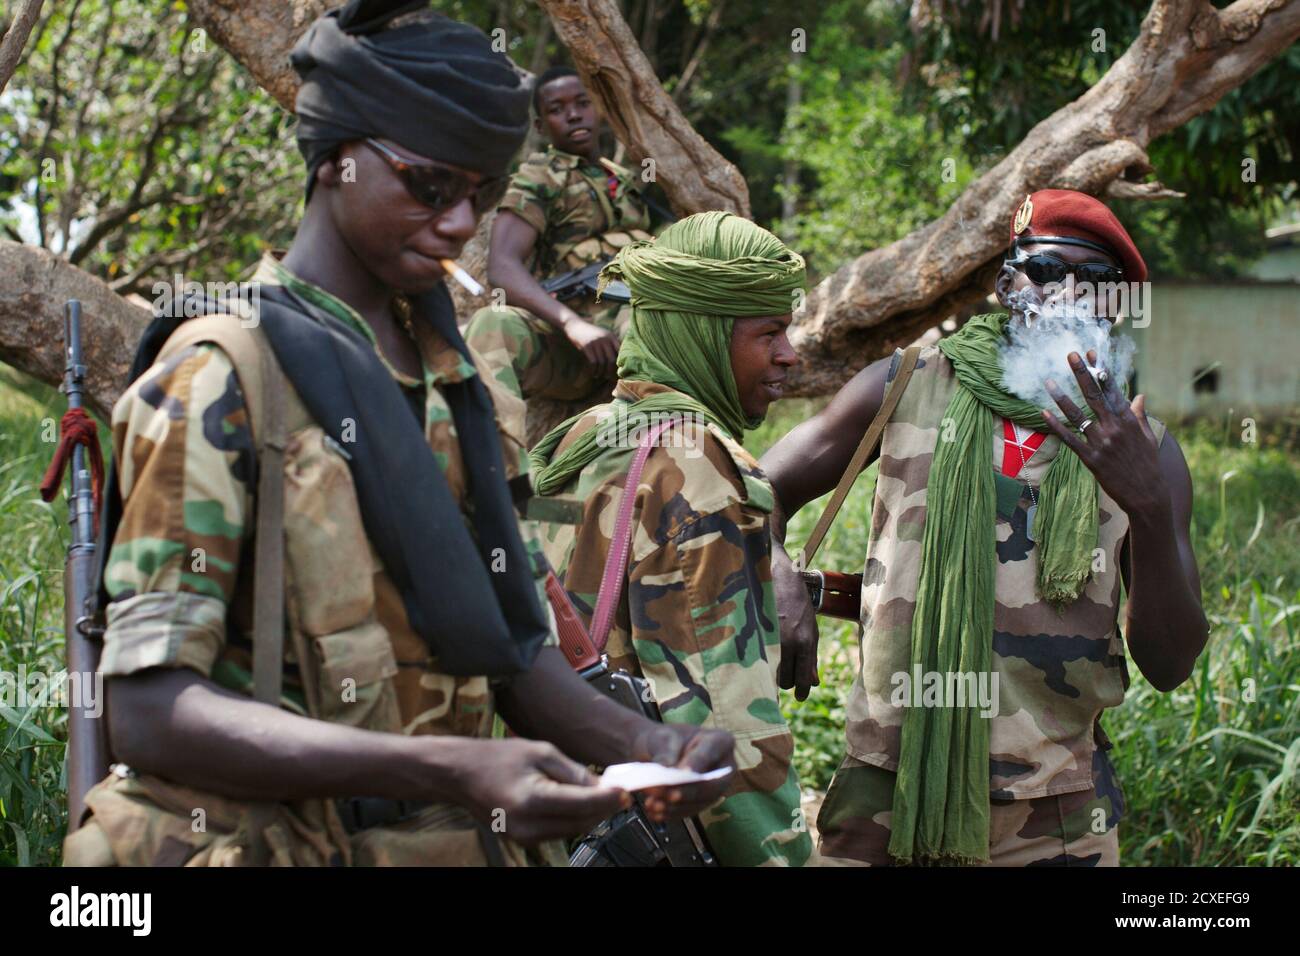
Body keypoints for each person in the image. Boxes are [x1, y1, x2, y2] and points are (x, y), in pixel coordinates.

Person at [62, 3, 731, 868]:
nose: (459, 223)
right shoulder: (223, 375)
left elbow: (507, 650)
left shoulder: (459, 381)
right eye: (429, 185)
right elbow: (148, 712)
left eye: (481, 195)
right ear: (337, 159)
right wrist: (453, 767)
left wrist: (650, 745)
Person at [761, 189, 1209, 866]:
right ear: (1007, 284)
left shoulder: (1146, 447)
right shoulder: (904, 384)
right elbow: (751, 495)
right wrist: (780, 576)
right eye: (1047, 271)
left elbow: (1170, 664)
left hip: (1055, 809)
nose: (1066, 296)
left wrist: (1146, 503)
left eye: (1094, 283)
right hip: (890, 783)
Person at [530, 211, 815, 867]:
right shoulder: (698, 471)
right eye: (768, 332)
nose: (789, 355)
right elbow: (721, 724)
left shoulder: (584, 436)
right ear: (700, 335)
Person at [462, 66, 656, 429]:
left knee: (653, 319)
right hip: (573, 343)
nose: (573, 114)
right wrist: (571, 325)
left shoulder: (621, 178)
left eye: (583, 103)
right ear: (540, 126)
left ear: (599, 110)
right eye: (557, 109)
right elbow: (502, 267)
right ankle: (496, 472)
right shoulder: (540, 176)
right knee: (493, 326)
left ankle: (665, 465)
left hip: (640, 324)